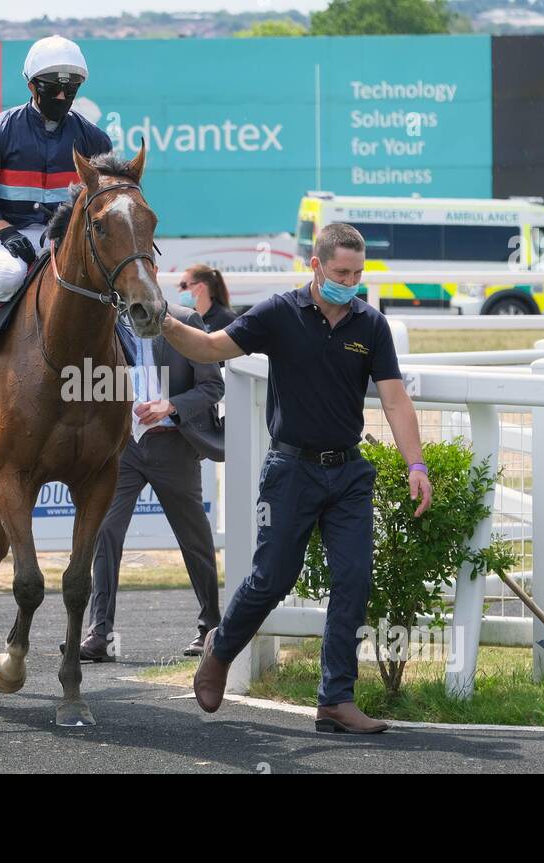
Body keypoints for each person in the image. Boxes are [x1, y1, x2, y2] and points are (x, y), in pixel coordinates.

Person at [159, 223, 434, 735]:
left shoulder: (370, 325)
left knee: (353, 579)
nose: (349, 282)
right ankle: (220, 649)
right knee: (272, 578)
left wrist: (416, 465)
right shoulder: (277, 313)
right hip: (291, 471)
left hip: (349, 472)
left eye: (357, 273)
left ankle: (335, 700)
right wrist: (162, 322)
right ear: (315, 265)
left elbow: (395, 399)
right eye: (340, 273)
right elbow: (210, 347)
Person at [73, 302, 226, 661]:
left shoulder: (186, 321)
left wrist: (169, 405)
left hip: (173, 445)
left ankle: (211, 627)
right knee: (105, 532)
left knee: (194, 537)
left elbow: (212, 386)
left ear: (152, 273)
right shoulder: (105, 322)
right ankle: (100, 634)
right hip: (123, 447)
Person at [0, 35, 113, 336]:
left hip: (70, 238)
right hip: (15, 234)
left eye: (70, 88)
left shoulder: (94, 139)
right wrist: (5, 232)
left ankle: (138, 356)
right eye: (53, 88)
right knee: (6, 278)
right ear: (32, 86)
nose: (62, 97)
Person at [178, 264, 237, 335]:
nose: (179, 290)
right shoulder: (186, 317)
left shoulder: (227, 319)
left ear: (200, 287)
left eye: (183, 285)